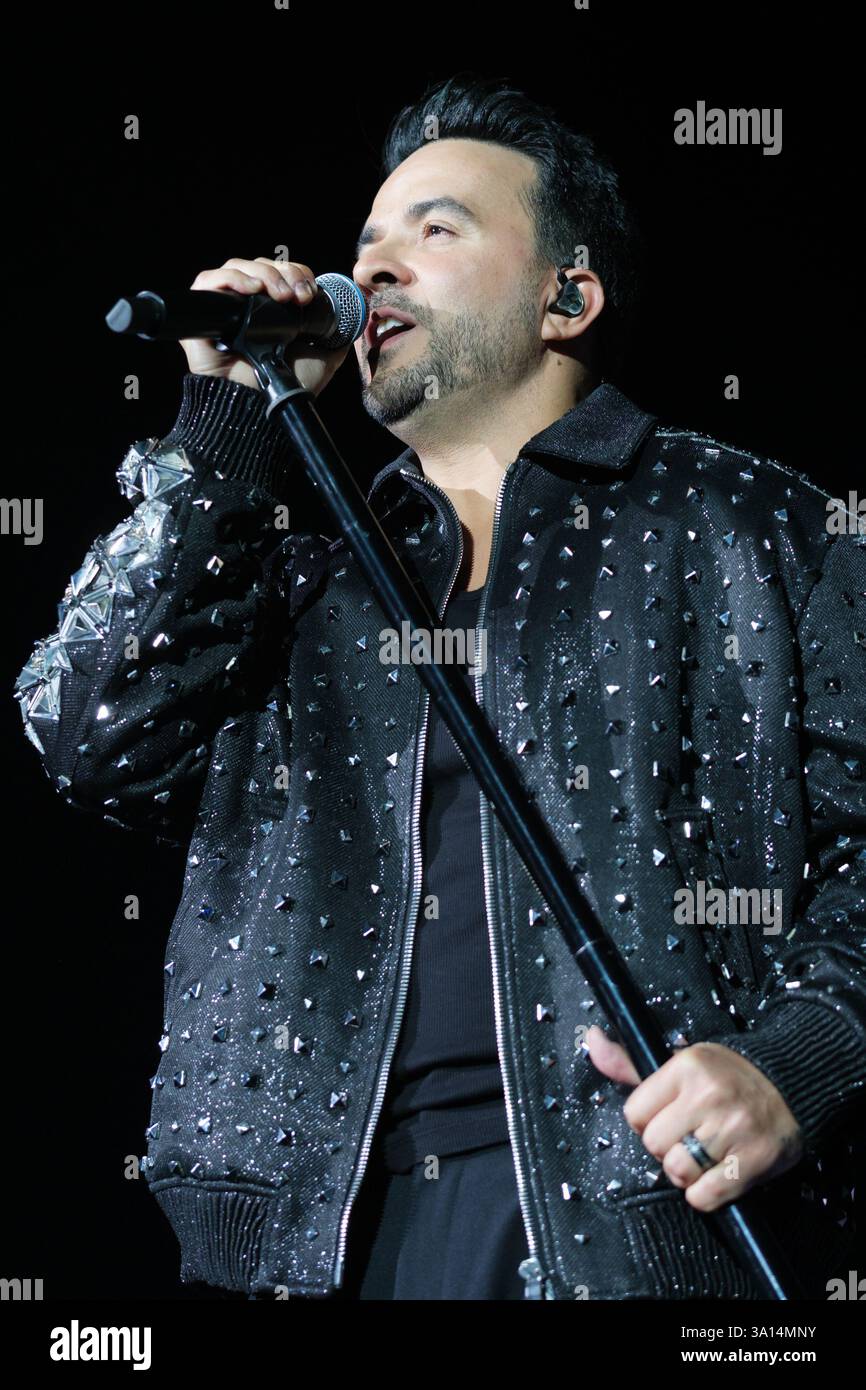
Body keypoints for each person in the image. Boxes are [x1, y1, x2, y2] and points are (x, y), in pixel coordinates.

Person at [15, 73, 864, 1300]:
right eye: (365, 246)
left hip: (626, 1225)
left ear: (565, 295)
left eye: (435, 229)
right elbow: (84, 731)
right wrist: (225, 432)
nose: (377, 271)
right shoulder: (294, 586)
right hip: (315, 1238)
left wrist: (799, 1059)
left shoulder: (750, 525)